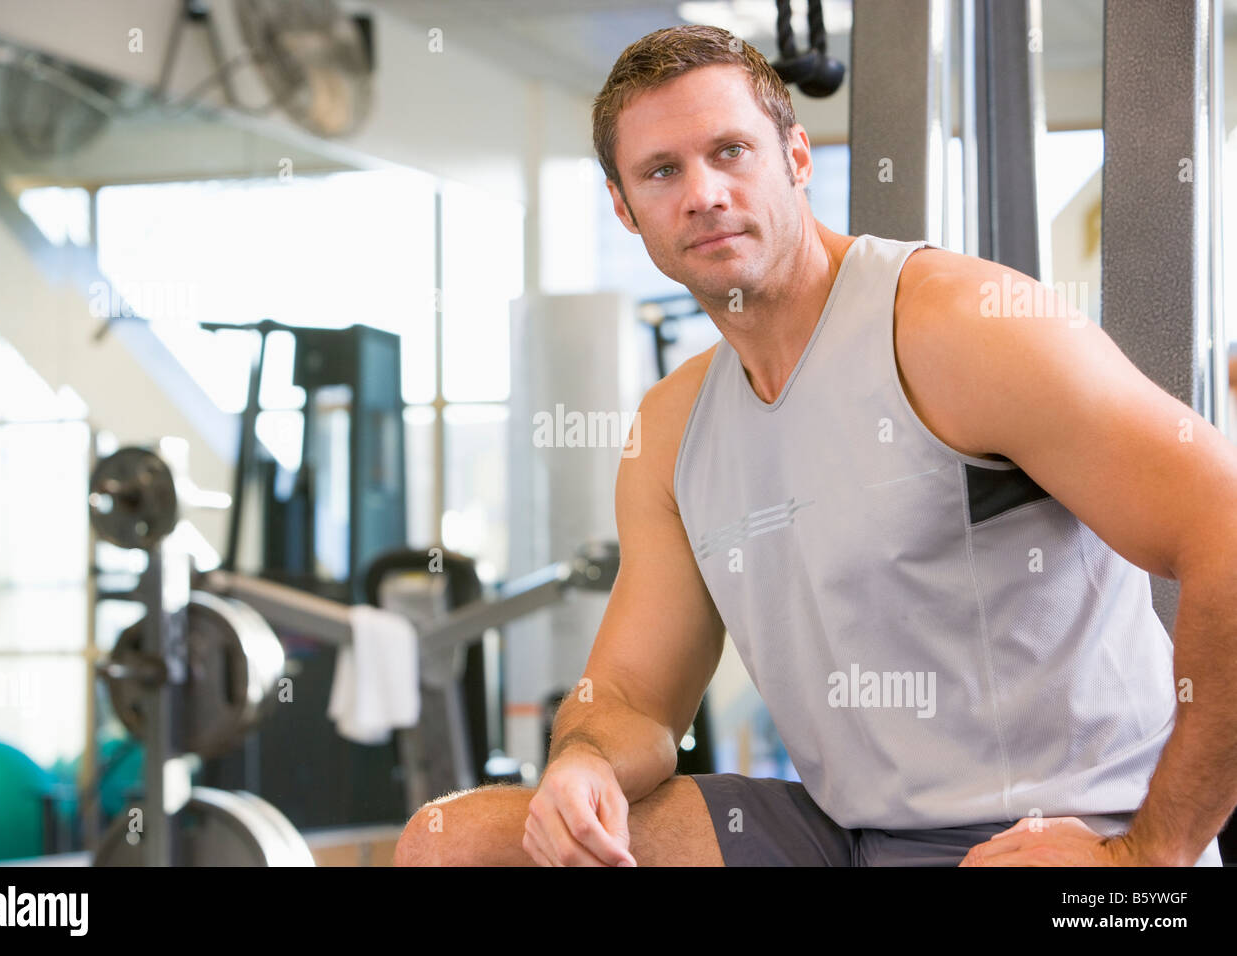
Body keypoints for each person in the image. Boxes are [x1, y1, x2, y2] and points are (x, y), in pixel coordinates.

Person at [393, 24, 1237, 866]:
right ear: (624, 208)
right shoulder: (673, 426)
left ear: (796, 156)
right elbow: (631, 697)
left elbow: (1226, 531)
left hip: (1069, 831)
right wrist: (583, 760)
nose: (704, 194)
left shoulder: (955, 325)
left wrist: (1147, 855)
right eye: (662, 172)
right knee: (451, 844)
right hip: (849, 840)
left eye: (730, 151)